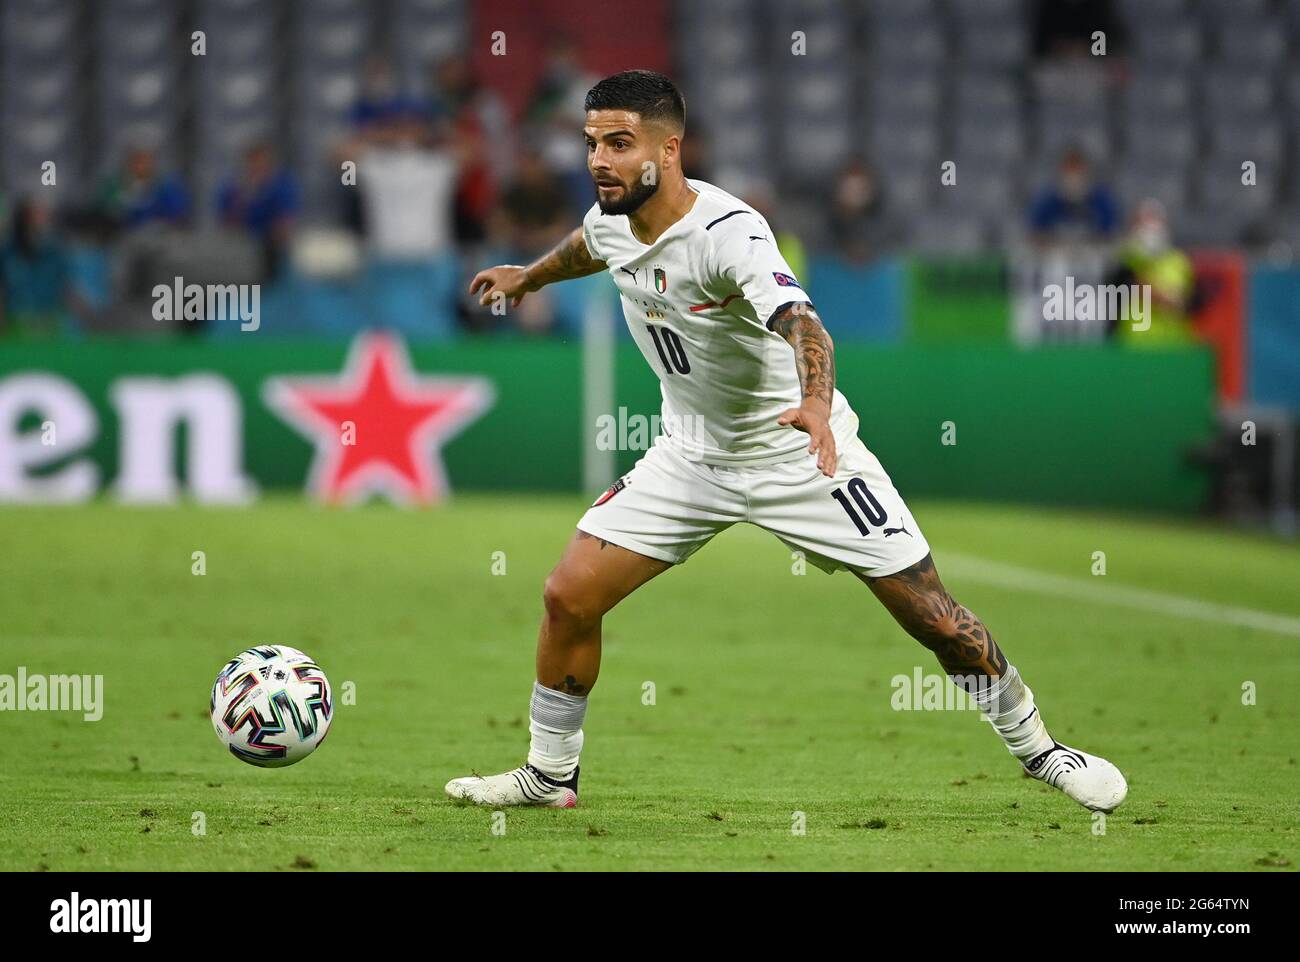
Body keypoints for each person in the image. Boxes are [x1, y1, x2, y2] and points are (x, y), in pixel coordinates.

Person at [451, 71, 1127, 812]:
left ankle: (1041, 750)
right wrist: (531, 277)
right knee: (567, 596)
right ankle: (550, 776)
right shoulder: (614, 214)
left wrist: (812, 404)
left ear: (668, 149)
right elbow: (589, 246)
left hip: (798, 450)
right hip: (692, 456)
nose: (599, 161)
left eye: (619, 144)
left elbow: (804, 322)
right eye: (590, 145)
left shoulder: (727, 234)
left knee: (932, 615)